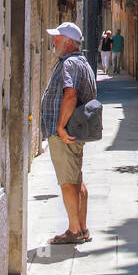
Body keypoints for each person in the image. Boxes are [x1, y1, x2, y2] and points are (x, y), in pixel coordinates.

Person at [40, 22, 97, 244]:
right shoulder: (81, 62)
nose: (54, 42)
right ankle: (82, 228)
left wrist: (60, 127)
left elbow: (70, 95)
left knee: (67, 182)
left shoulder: (70, 64)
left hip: (66, 132)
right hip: (76, 131)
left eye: (58, 38)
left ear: (68, 42)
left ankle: (74, 231)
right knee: (76, 180)